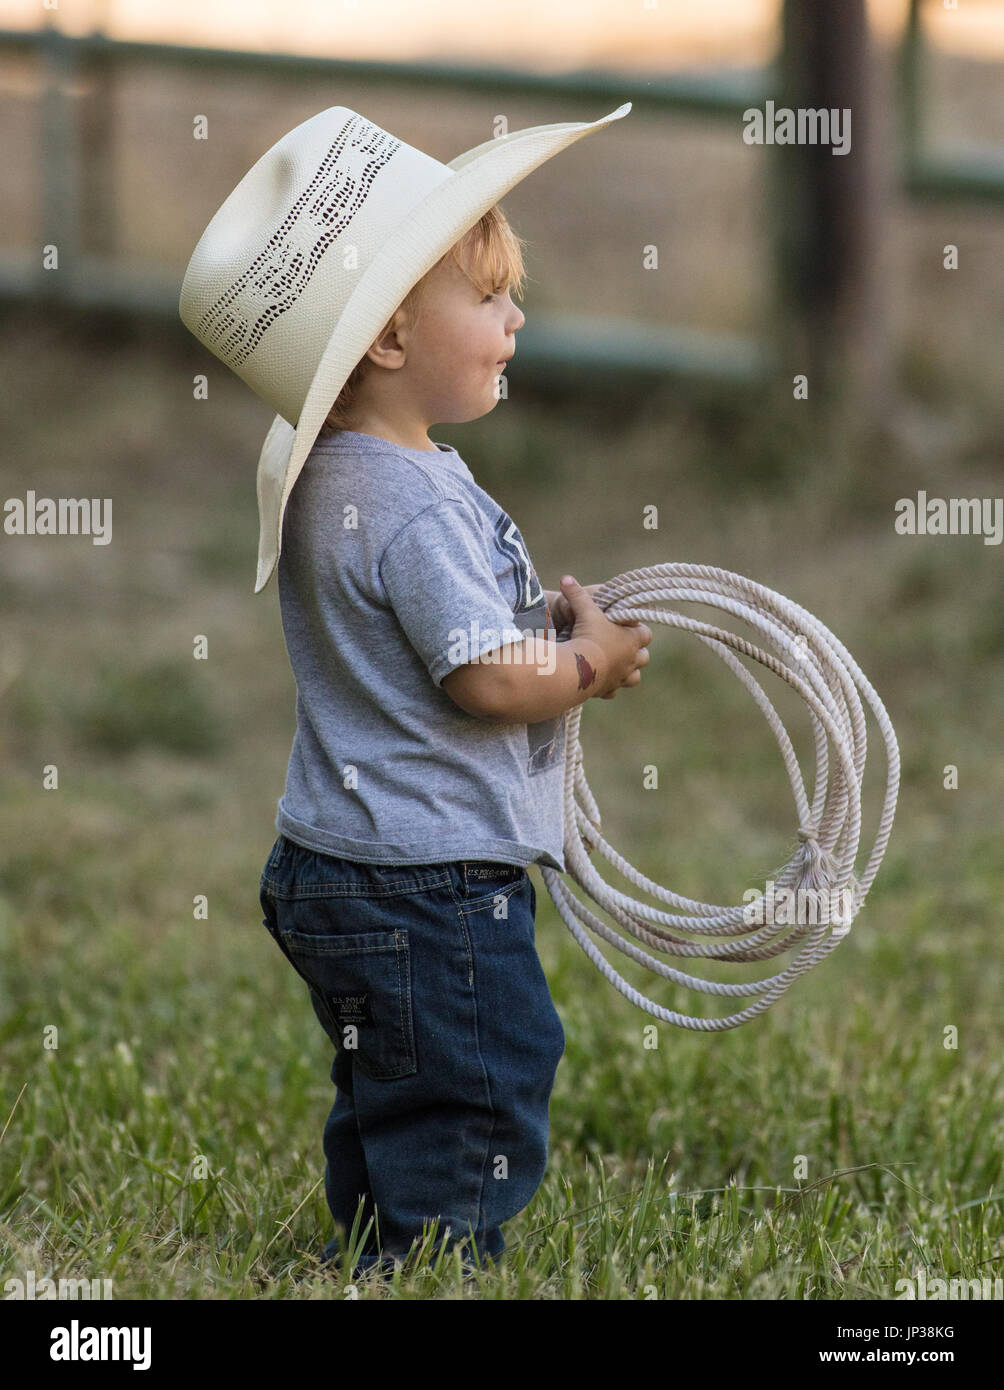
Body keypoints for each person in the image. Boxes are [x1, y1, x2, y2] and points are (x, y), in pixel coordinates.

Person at [179, 101, 650, 1281]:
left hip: (334, 862)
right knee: (479, 1072)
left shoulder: (341, 475)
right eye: (488, 298)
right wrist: (586, 664)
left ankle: (375, 1228)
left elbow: (423, 643)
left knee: (392, 1064)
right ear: (389, 334)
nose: (515, 317)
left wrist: (537, 632)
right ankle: (434, 1257)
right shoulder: (415, 500)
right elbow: (488, 679)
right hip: (428, 878)